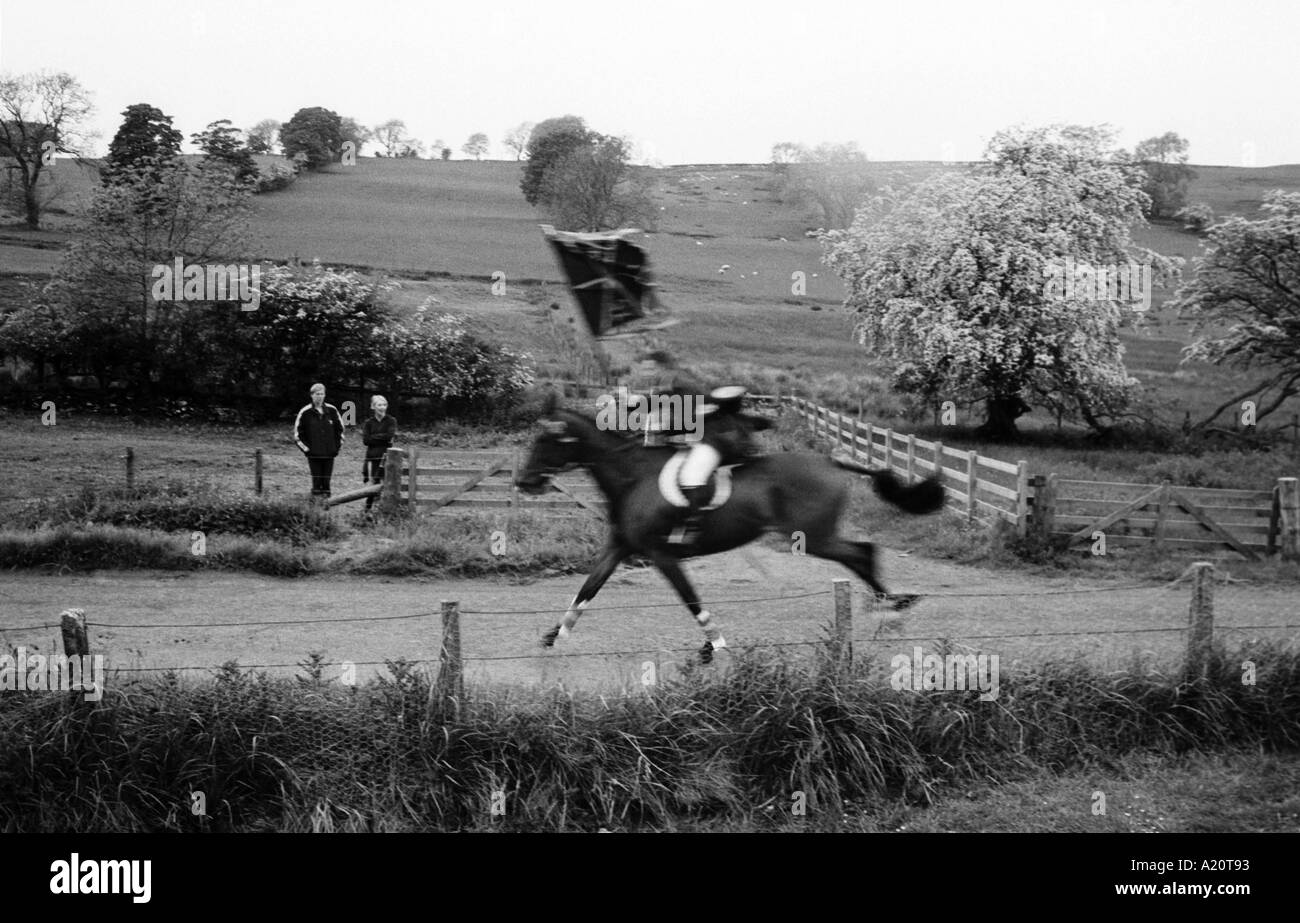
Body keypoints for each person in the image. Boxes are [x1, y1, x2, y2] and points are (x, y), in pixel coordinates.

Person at [633, 350, 768, 543]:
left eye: (651, 368)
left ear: (662, 367)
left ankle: (693, 524)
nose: (647, 373)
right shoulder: (675, 382)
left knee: (691, 476)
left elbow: (687, 418)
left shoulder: (679, 384)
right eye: (645, 369)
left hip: (716, 442)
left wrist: (662, 429)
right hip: (707, 436)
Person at [294, 383, 344, 500]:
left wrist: (336, 448)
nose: (320, 396)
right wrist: (307, 449)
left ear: (325, 395)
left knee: (326, 479)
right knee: (316, 479)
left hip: (329, 452)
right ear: (312, 395)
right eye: (317, 394)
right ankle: (315, 500)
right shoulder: (305, 412)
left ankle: (327, 501)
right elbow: (298, 435)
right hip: (314, 454)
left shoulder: (332, 410)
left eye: (322, 394)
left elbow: (340, 430)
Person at [360, 395, 396, 512]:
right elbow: (366, 440)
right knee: (374, 482)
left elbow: (389, 436)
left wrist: (374, 437)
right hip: (372, 456)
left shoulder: (391, 420)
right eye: (379, 405)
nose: (382, 407)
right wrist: (382, 437)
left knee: (388, 482)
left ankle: (385, 509)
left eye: (384, 405)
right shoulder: (369, 423)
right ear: (373, 407)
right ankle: (368, 509)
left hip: (387, 457)